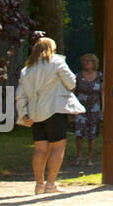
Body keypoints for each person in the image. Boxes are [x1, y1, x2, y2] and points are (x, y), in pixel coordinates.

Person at [16, 37, 85, 194]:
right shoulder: (57, 62)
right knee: (58, 146)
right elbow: (72, 83)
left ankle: (39, 184)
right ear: (52, 49)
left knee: (40, 149)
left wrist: (24, 114)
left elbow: (20, 95)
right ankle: (51, 183)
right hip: (55, 109)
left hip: (34, 113)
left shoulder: (26, 70)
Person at [72, 53, 103, 166]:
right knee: (79, 132)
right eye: (84, 60)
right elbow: (73, 92)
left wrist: (102, 108)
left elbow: (102, 93)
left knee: (92, 134)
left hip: (94, 108)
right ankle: (79, 156)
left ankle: (90, 158)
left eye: (89, 61)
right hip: (80, 108)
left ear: (94, 63)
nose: (86, 63)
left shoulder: (100, 76)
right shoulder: (78, 76)